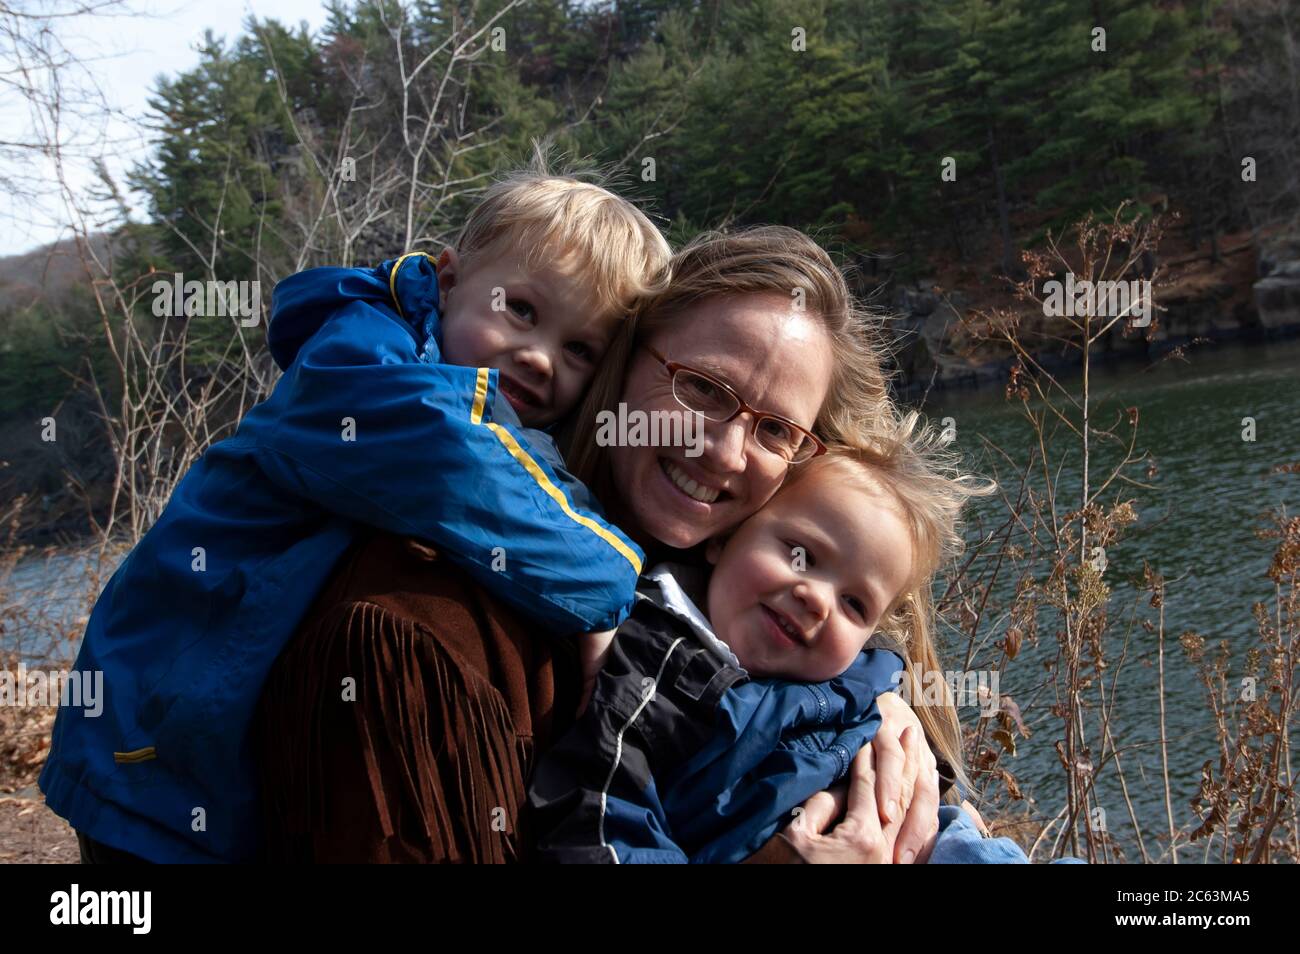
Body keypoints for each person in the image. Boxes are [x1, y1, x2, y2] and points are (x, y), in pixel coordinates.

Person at [255, 226, 951, 863]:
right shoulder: (418, 630)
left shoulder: (769, 629)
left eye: (775, 431)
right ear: (620, 362)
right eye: (701, 388)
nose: (724, 451)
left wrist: (870, 688)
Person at [43, 159, 672, 863]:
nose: (538, 357)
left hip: (211, 734)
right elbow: (461, 471)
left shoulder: (468, 403)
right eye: (522, 311)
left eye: (579, 349)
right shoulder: (367, 366)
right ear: (449, 277)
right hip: (153, 737)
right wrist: (615, 584)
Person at [530, 411, 991, 863]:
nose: (818, 600)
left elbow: (916, 764)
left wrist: (949, 789)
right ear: (723, 540)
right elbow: (601, 815)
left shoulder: (861, 672)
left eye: (855, 604)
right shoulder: (654, 664)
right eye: (801, 555)